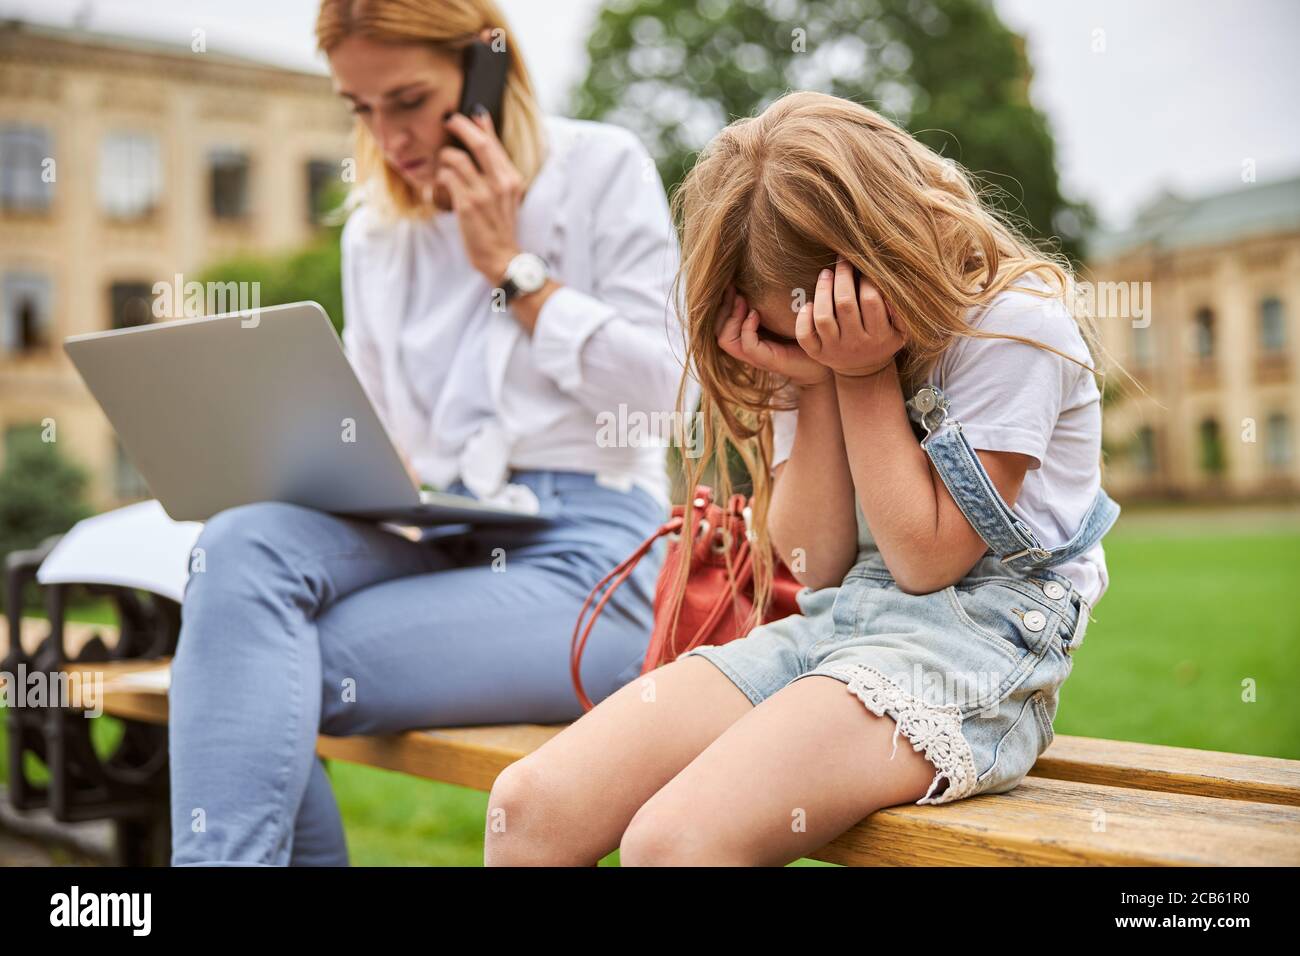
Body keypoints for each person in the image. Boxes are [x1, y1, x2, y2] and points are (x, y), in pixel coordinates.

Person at [483, 90, 1120, 867]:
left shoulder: (1012, 326)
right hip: (836, 620)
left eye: (816, 334)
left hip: (975, 645)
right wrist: (817, 385)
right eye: (792, 337)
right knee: (528, 808)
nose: (804, 348)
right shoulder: (819, 344)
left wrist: (859, 374)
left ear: (883, 262)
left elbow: (926, 562)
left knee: (674, 842)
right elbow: (813, 564)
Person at [167, 0, 682, 866]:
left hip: (597, 560)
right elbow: (381, 438)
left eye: (407, 99)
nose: (390, 135)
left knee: (249, 673)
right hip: (448, 530)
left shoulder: (600, 168)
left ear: (486, 68)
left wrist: (513, 273)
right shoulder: (376, 233)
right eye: (361, 110)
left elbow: (674, 393)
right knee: (240, 545)